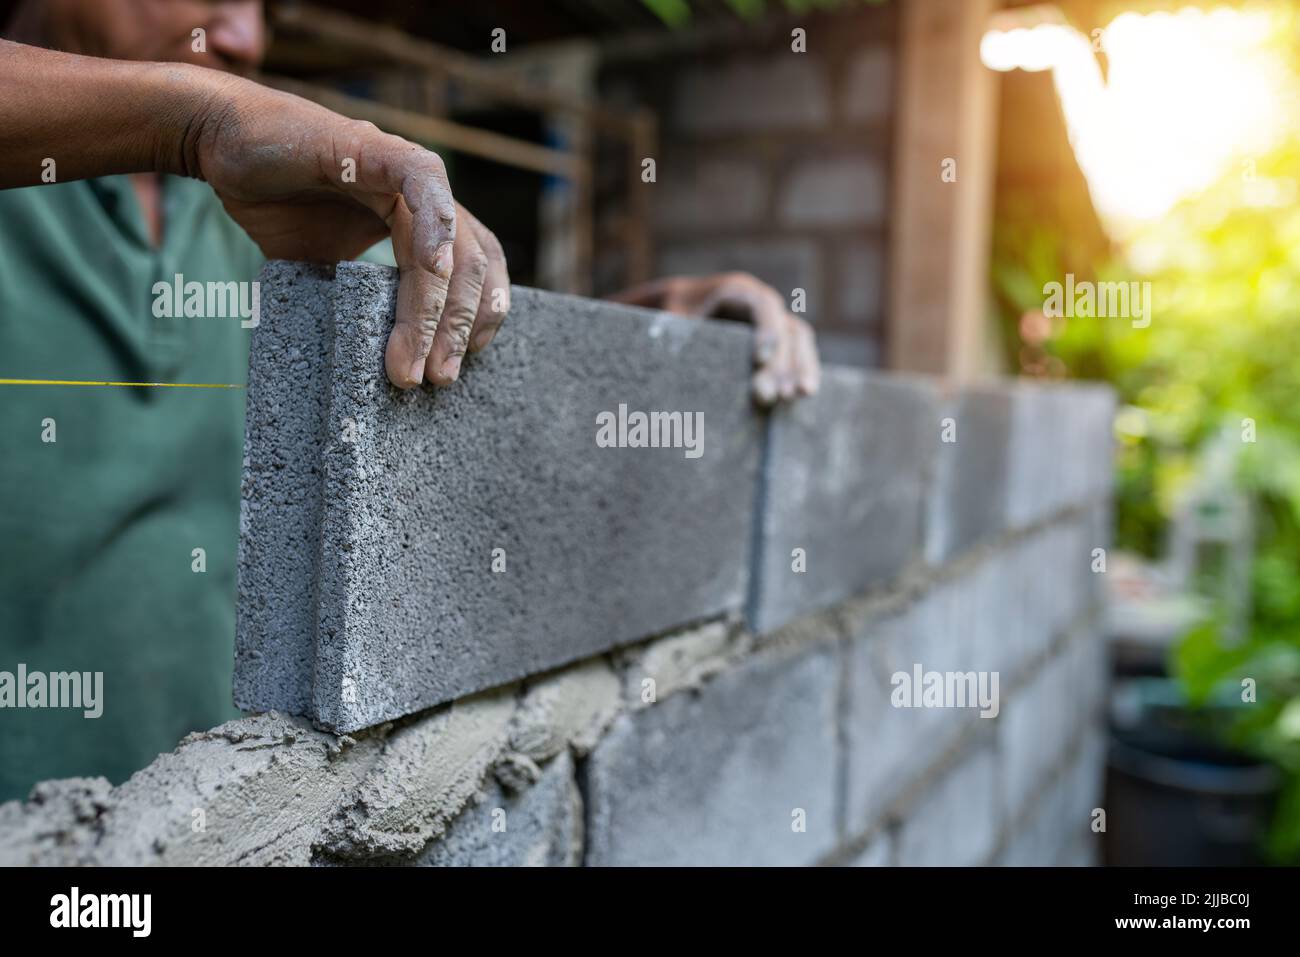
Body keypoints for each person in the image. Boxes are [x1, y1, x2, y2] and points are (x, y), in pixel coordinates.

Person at [0, 0, 820, 802]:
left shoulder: (243, 220)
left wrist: (664, 335)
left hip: (206, 808)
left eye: (265, 7)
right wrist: (197, 120)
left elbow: (431, 346)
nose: (246, 36)